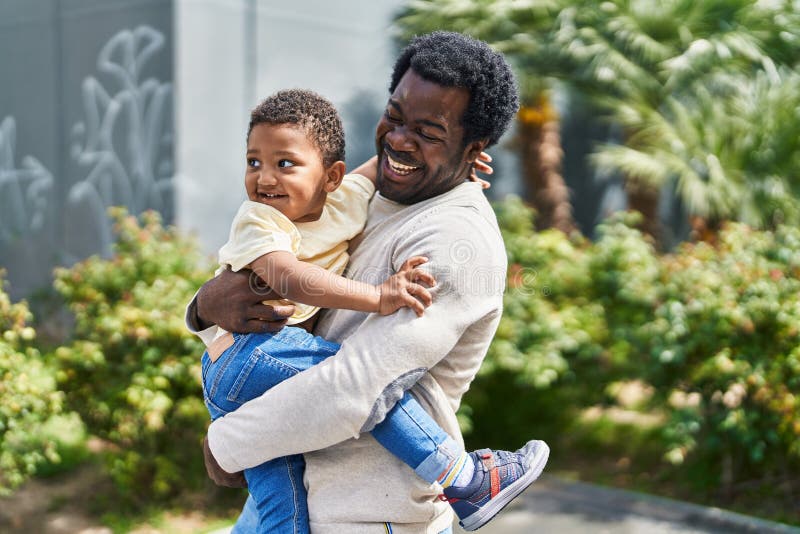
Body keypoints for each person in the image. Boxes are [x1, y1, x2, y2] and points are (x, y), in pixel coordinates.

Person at [188, 31, 544, 533]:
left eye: (429, 132)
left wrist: (225, 444)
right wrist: (205, 305)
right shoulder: (382, 191)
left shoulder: (455, 237)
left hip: (368, 518)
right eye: (394, 117)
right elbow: (288, 251)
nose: (399, 140)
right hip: (298, 498)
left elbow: (354, 390)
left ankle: (464, 479)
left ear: (473, 148)